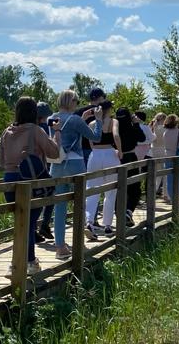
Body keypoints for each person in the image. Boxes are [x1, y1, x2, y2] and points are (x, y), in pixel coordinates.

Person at [0, 97, 59, 275]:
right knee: (30, 222)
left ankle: (20, 262)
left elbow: (1, 161)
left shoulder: (6, 132)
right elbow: (54, 153)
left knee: (21, 222)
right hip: (31, 180)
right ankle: (27, 262)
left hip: (10, 180)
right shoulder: (36, 130)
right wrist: (57, 133)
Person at [48, 90, 102, 259]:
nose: (77, 104)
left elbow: (58, 140)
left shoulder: (52, 118)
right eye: (76, 101)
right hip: (75, 163)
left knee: (60, 207)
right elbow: (96, 136)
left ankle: (60, 247)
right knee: (79, 205)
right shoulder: (76, 119)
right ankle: (79, 242)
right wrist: (98, 120)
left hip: (57, 165)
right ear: (71, 102)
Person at [85, 100, 122, 236]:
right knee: (110, 192)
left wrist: (95, 150)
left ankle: (89, 222)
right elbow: (116, 135)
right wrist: (120, 151)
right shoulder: (113, 122)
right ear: (109, 109)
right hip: (110, 154)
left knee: (92, 190)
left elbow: (90, 140)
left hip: (95, 155)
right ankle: (107, 225)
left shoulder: (92, 123)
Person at [115, 108, 145, 227]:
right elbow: (142, 138)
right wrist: (136, 124)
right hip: (131, 157)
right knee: (135, 188)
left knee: (117, 187)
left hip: (117, 157)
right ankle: (128, 210)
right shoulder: (132, 127)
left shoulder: (115, 127)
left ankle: (119, 213)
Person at [34, 102, 54, 243]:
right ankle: (45, 224)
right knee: (49, 196)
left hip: (28, 169)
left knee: (34, 201)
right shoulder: (45, 129)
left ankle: (34, 229)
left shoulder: (29, 128)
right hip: (43, 168)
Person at [150, 112, 168, 198]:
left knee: (156, 174)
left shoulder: (152, 127)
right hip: (163, 150)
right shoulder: (165, 128)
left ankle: (152, 192)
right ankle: (166, 194)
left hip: (153, 150)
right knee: (165, 173)